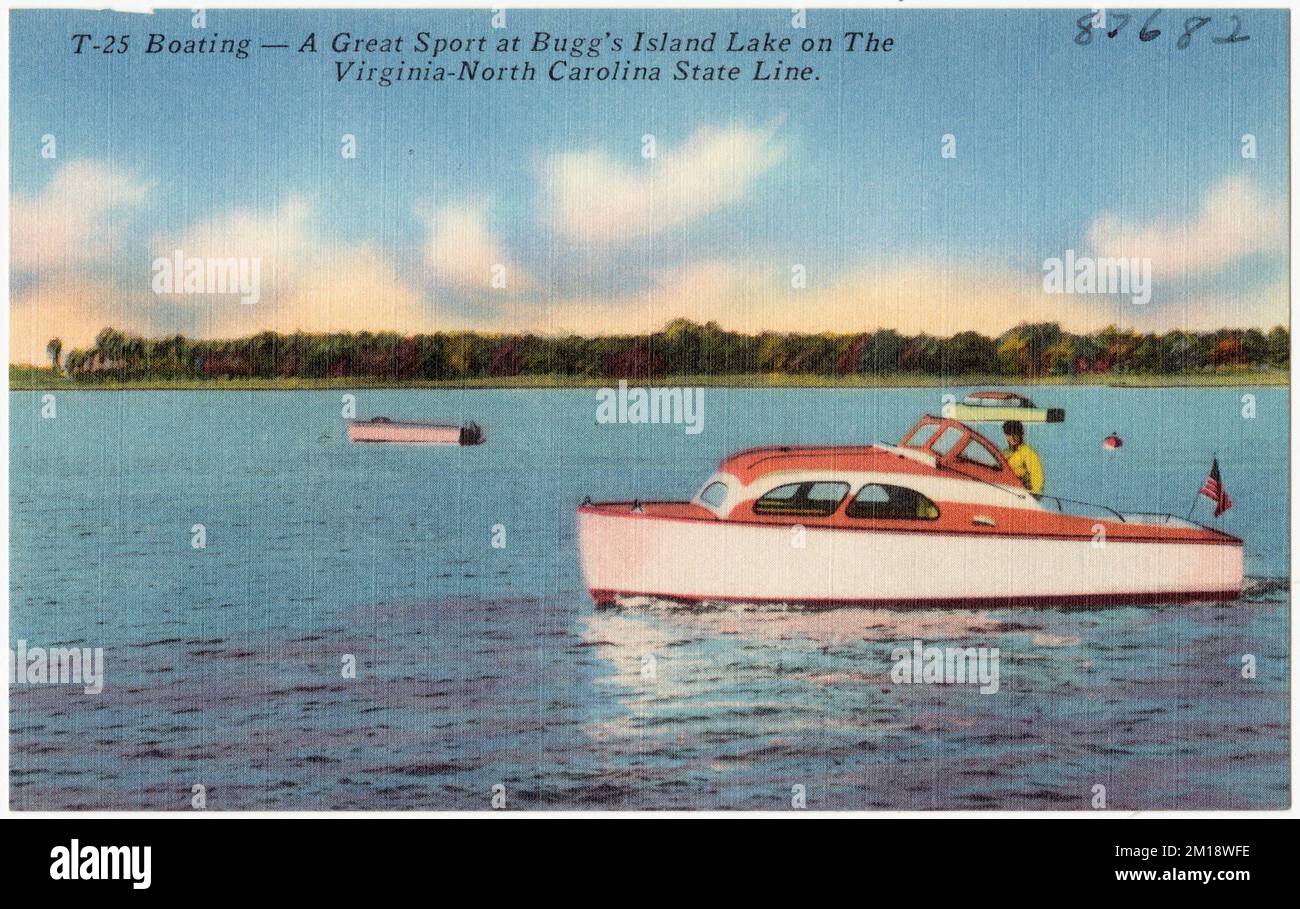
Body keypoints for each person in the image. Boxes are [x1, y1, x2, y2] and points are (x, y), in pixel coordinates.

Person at [1002, 420, 1044, 494]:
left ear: (1021, 434)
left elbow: (1037, 477)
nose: (1012, 437)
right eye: (1009, 434)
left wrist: (1033, 496)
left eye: (1015, 433)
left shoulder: (1028, 452)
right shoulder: (1004, 453)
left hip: (1021, 493)